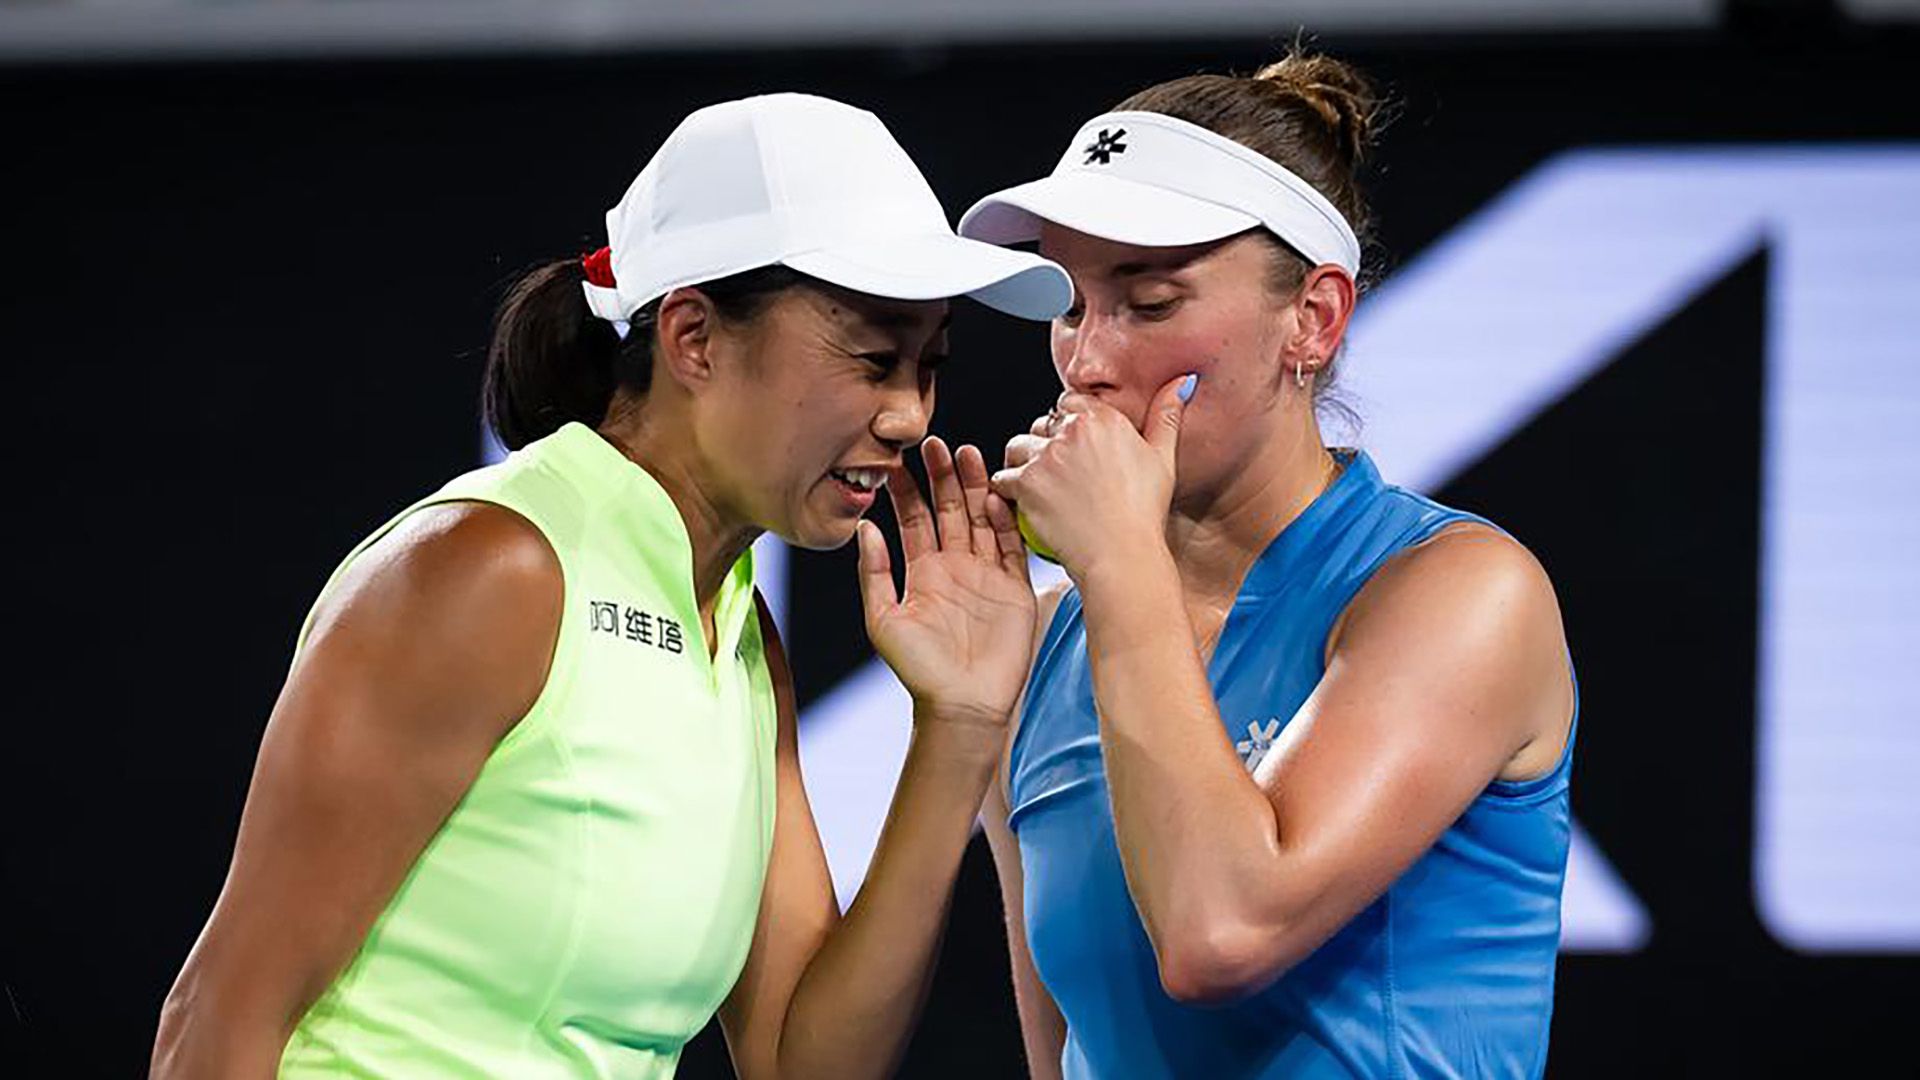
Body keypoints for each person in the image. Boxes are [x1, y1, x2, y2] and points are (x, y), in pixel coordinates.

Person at [150, 92, 1070, 1080]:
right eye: (873, 360)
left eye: (928, 367)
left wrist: (958, 725)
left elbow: (803, 1063)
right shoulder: (491, 572)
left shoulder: (740, 633)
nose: (907, 415)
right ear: (694, 338)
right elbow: (217, 1019)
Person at [962, 51, 1578, 1079]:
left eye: (1150, 302)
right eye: (1070, 307)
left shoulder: (1464, 593)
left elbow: (1221, 934)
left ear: (1315, 317)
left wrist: (1120, 565)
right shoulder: (1037, 652)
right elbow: (1066, 1055)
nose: (1089, 360)